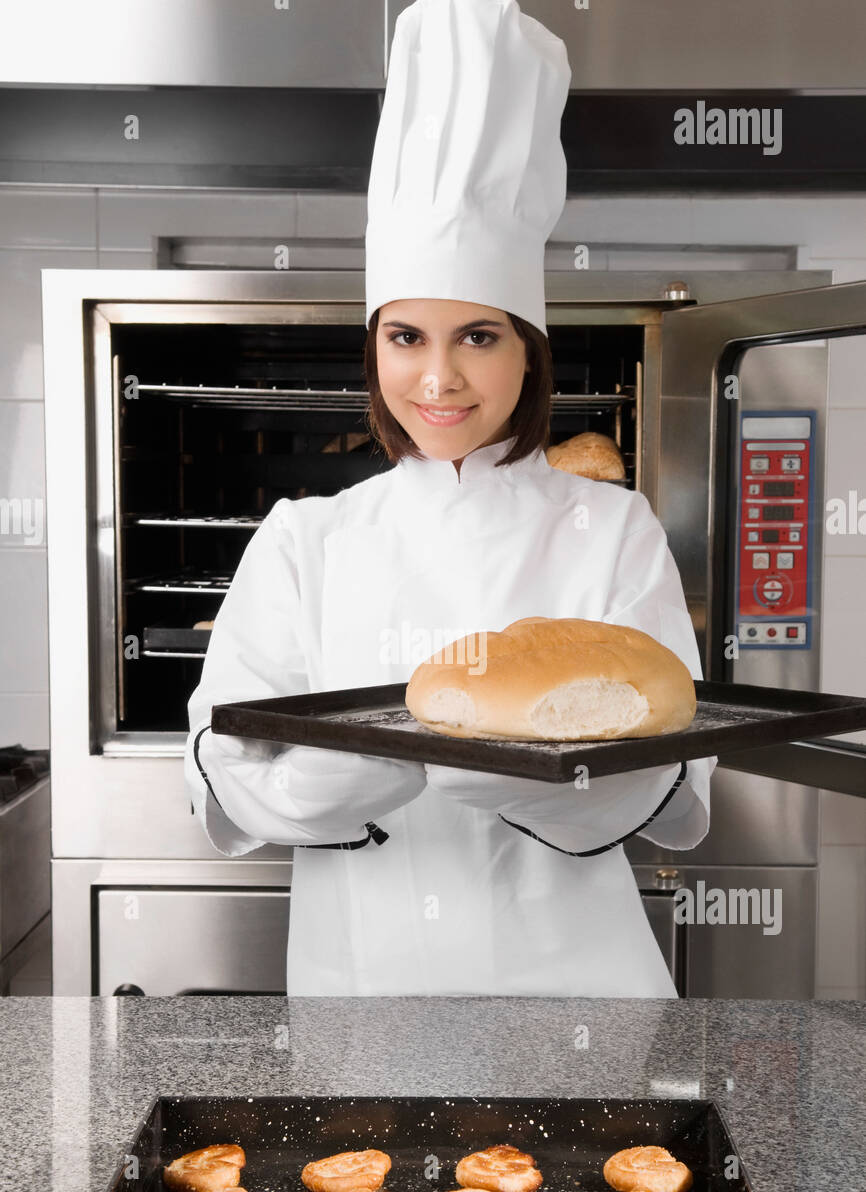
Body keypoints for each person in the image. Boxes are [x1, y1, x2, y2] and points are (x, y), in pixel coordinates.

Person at [185, 0, 716, 997]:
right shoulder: (308, 540)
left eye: (476, 335)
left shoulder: (610, 530)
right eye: (405, 338)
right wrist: (353, 772)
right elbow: (221, 771)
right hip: (361, 1002)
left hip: (582, 1002)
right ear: (374, 347)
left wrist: (509, 772)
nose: (437, 379)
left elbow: (673, 772)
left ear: (527, 352)